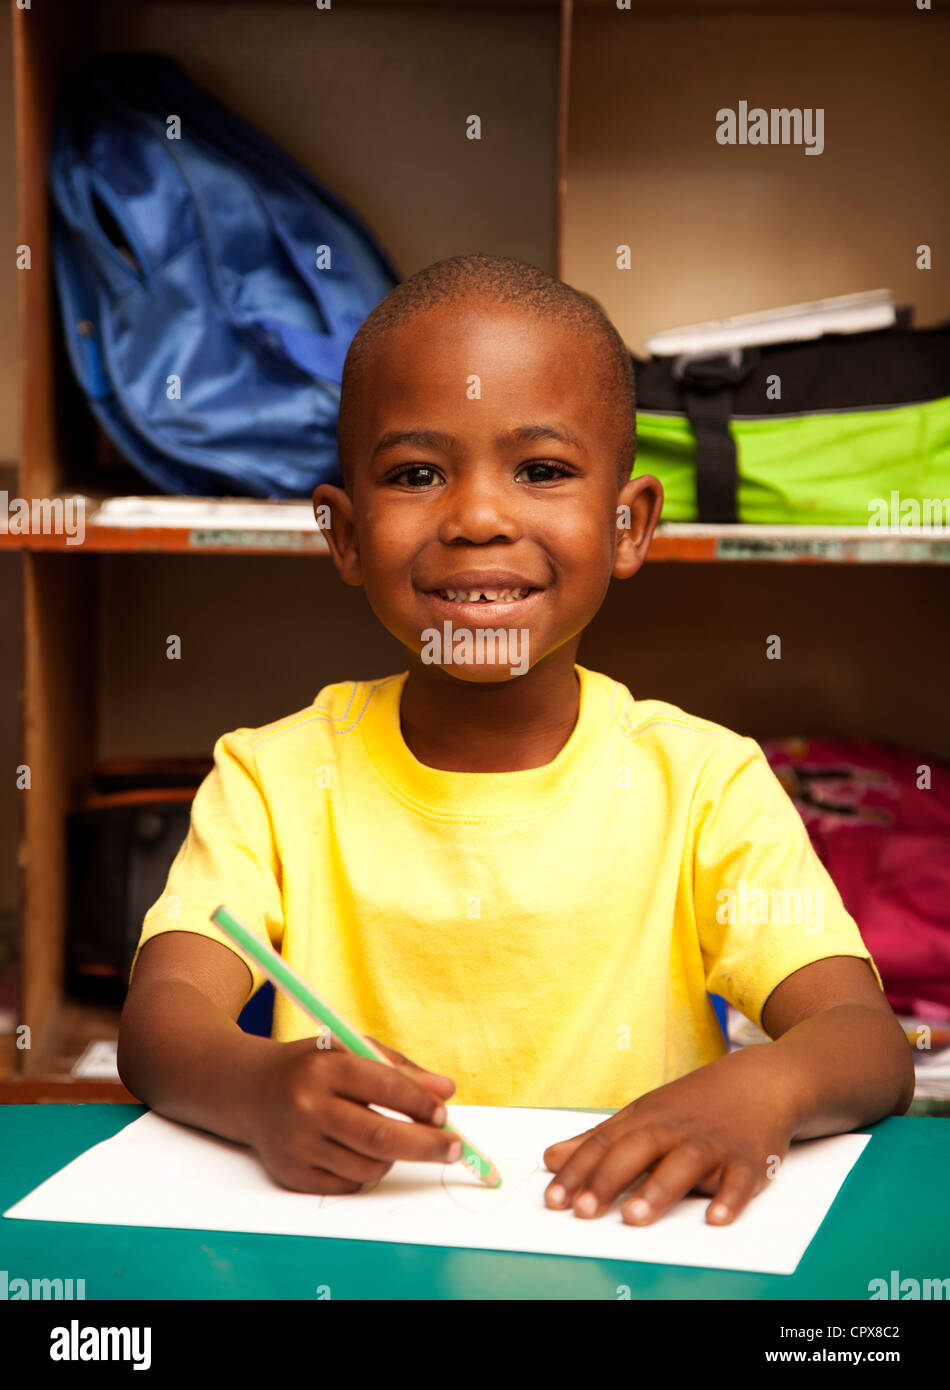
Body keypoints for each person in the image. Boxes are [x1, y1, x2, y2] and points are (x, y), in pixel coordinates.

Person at [118, 254, 913, 1228]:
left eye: (540, 470)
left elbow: (863, 1041)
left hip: (623, 1250)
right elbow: (160, 1028)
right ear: (344, 534)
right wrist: (256, 1087)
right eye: (416, 474)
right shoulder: (272, 775)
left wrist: (761, 1092)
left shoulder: (701, 781)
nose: (480, 518)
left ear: (629, 526)